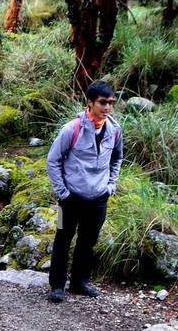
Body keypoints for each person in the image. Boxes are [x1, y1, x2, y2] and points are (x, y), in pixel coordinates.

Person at [44, 80, 124, 303]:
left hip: (99, 198)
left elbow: (117, 158)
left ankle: (79, 283)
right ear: (89, 103)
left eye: (110, 103)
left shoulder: (114, 130)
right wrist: (63, 193)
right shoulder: (71, 129)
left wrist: (111, 186)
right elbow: (53, 161)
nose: (107, 107)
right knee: (62, 238)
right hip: (69, 199)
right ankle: (57, 286)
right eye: (102, 103)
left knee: (88, 241)